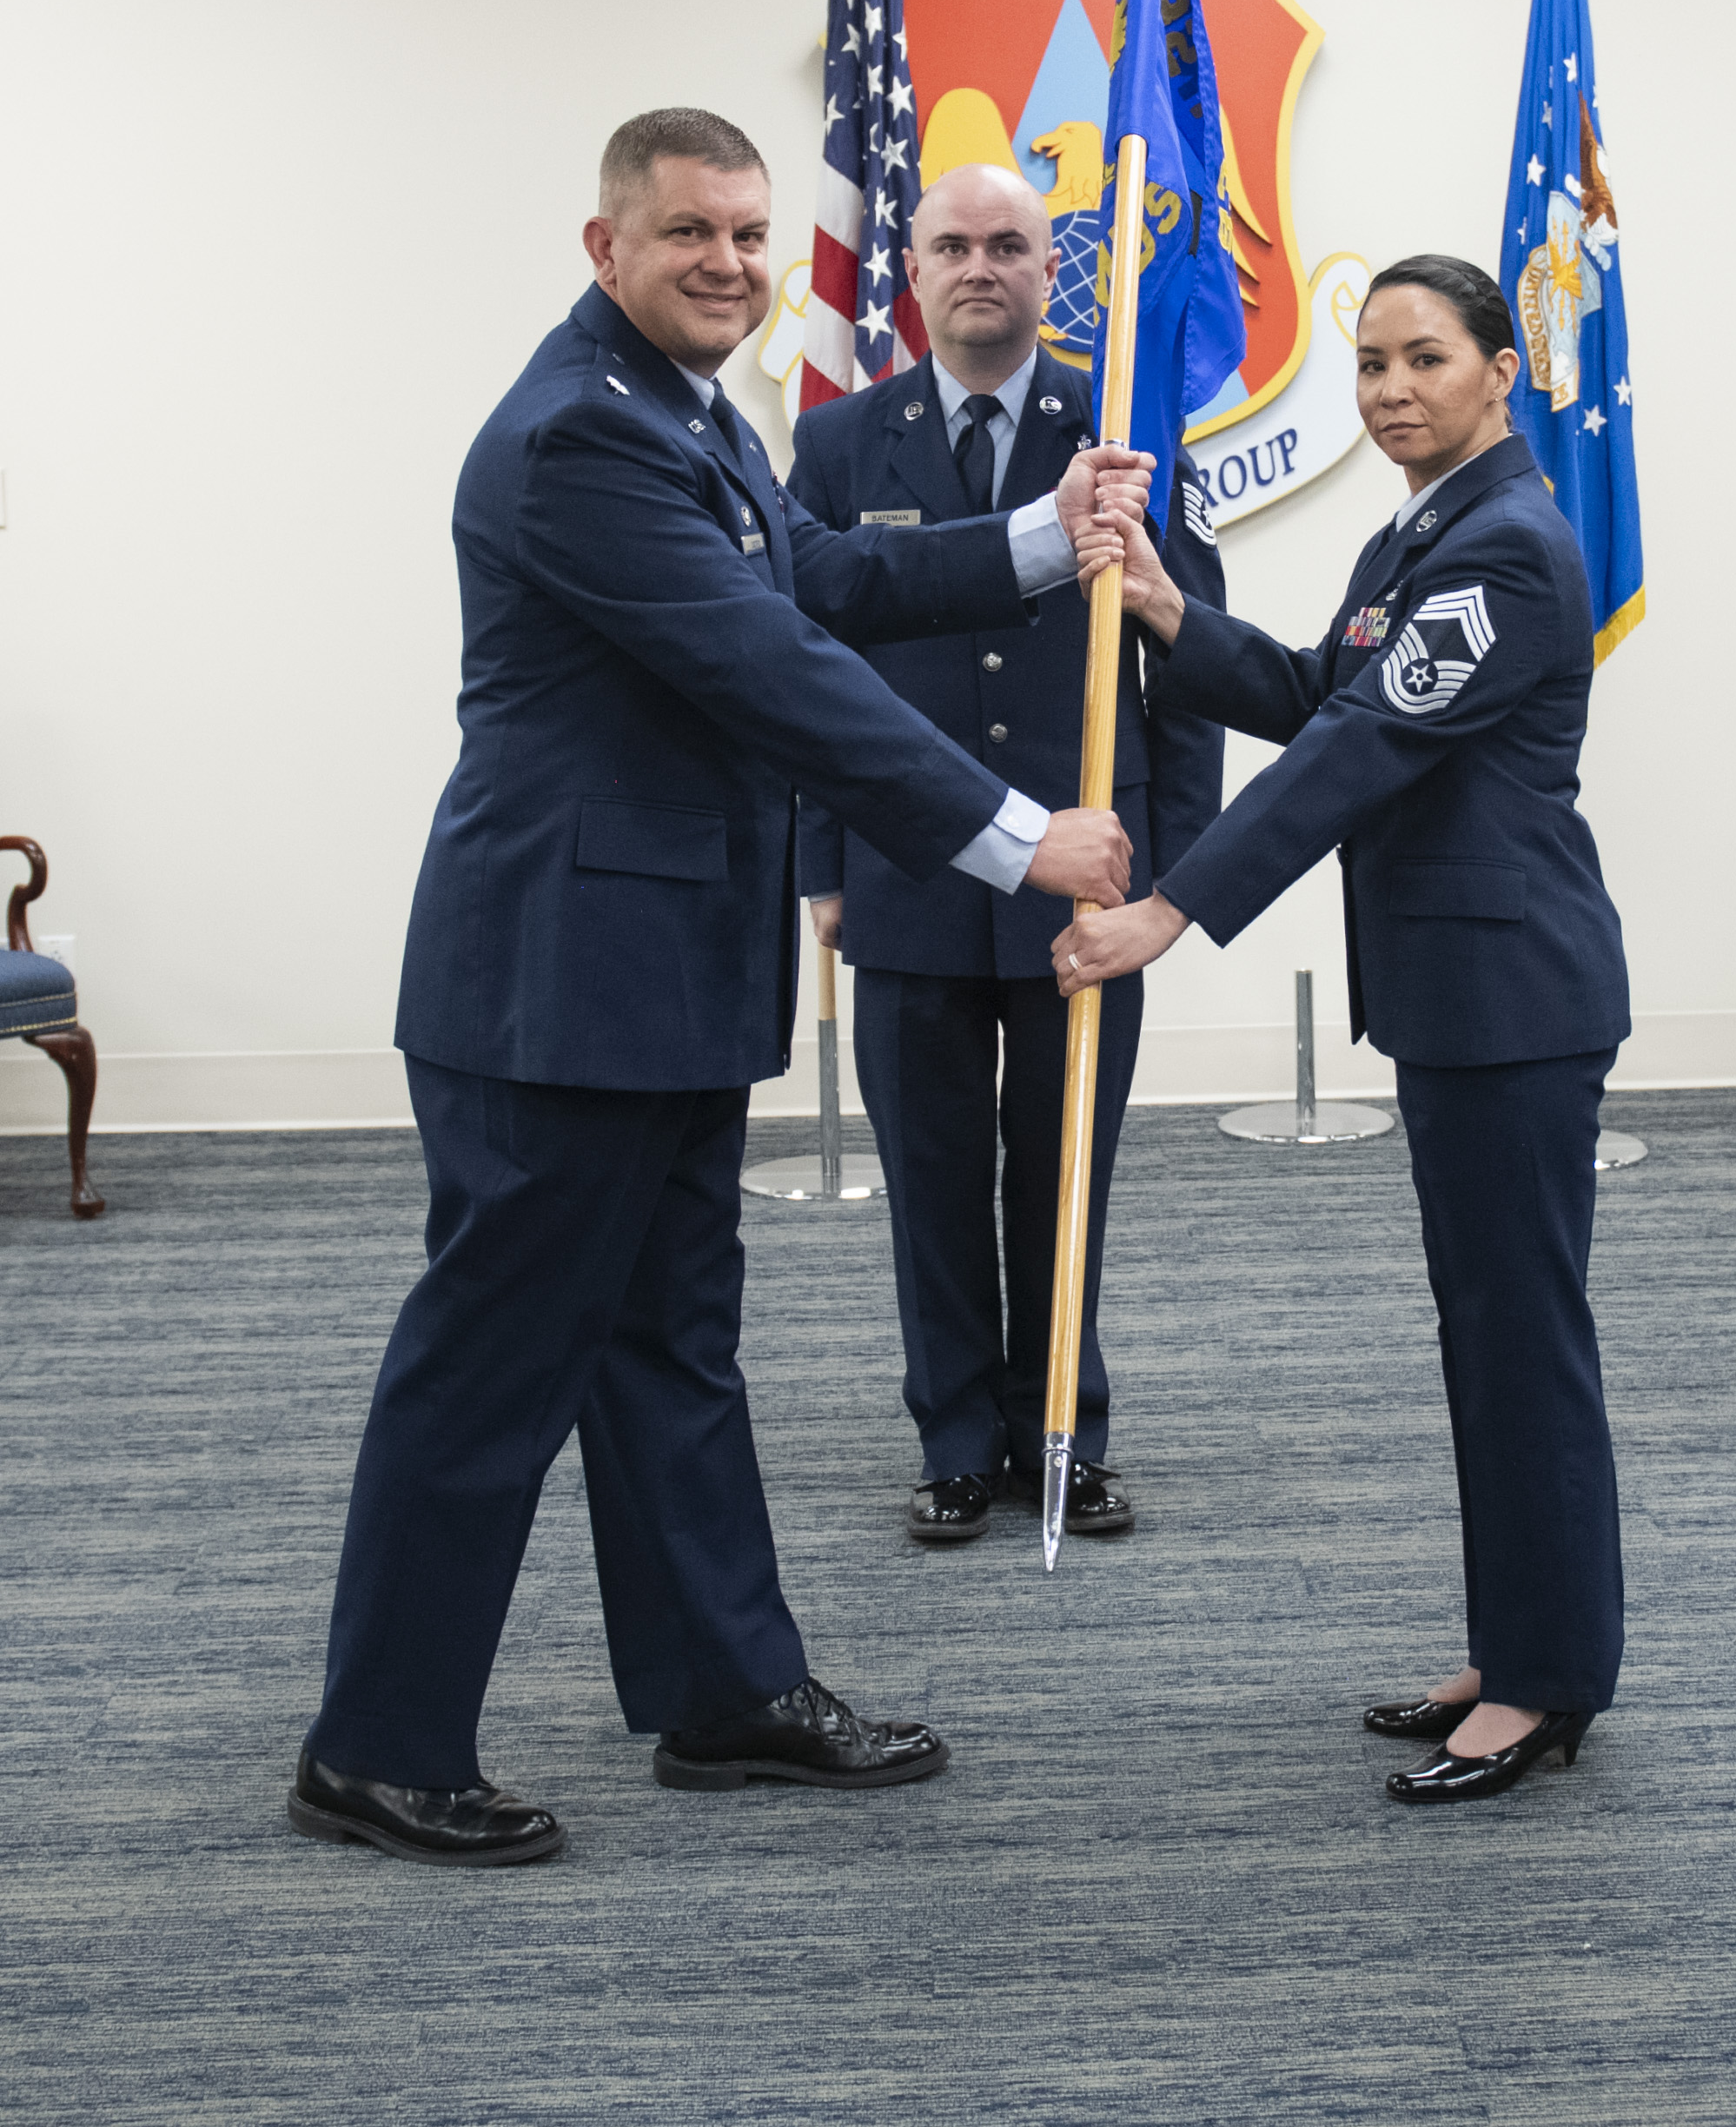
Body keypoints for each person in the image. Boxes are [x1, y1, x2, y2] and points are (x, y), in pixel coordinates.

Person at [289, 109, 1150, 1867]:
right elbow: (773, 666)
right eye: (692, 233)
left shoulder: (686, 417)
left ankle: (719, 1690)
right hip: (558, 990)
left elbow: (821, 575)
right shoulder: (573, 442)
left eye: (755, 236)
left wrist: (1044, 541)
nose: (733, 265)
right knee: (489, 1368)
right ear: (603, 245)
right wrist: (1011, 835)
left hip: (657, 980)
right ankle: (372, 1746)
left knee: (673, 1345)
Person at [1059, 253, 1630, 1807]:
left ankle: (1548, 1682)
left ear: (1501, 368)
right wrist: (1177, 615)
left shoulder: (1505, 549)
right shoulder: (1426, 524)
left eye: (1422, 360)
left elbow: (1359, 751)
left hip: (1513, 1001)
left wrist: (1166, 911)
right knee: (1487, 1335)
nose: (1389, 391)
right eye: (1369, 364)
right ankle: (1519, 1641)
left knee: (1522, 1344)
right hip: (1461, 1000)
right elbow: (1328, 687)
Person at [786, 163, 1226, 1547]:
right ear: (908, 272)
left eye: (1011, 246)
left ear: (1055, 272)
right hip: (907, 870)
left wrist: (1176, 870)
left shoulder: (1124, 429)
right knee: (928, 1174)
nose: (981, 267)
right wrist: (820, 864)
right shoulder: (845, 442)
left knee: (1063, 1166)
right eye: (953, 246)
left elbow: (1190, 654)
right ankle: (954, 1441)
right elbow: (802, 662)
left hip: (1090, 870)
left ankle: (1062, 1432)